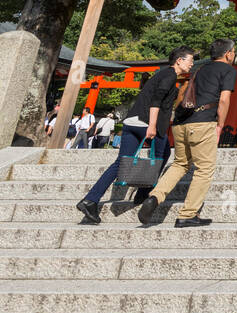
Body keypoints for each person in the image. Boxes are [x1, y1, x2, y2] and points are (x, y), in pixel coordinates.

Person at [76, 47, 194, 225]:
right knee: (163, 155)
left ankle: (90, 200)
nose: (191, 64)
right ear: (179, 60)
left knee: (121, 162)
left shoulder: (161, 74)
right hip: (147, 122)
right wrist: (152, 125)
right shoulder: (170, 76)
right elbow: (157, 101)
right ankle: (143, 194)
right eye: (189, 60)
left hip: (132, 121)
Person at [139, 39, 236, 228]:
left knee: (180, 164)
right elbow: (224, 100)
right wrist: (220, 125)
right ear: (228, 54)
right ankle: (188, 213)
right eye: (233, 52)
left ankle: (154, 197)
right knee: (204, 169)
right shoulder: (228, 70)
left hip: (181, 123)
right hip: (202, 122)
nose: (233, 55)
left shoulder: (200, 69)